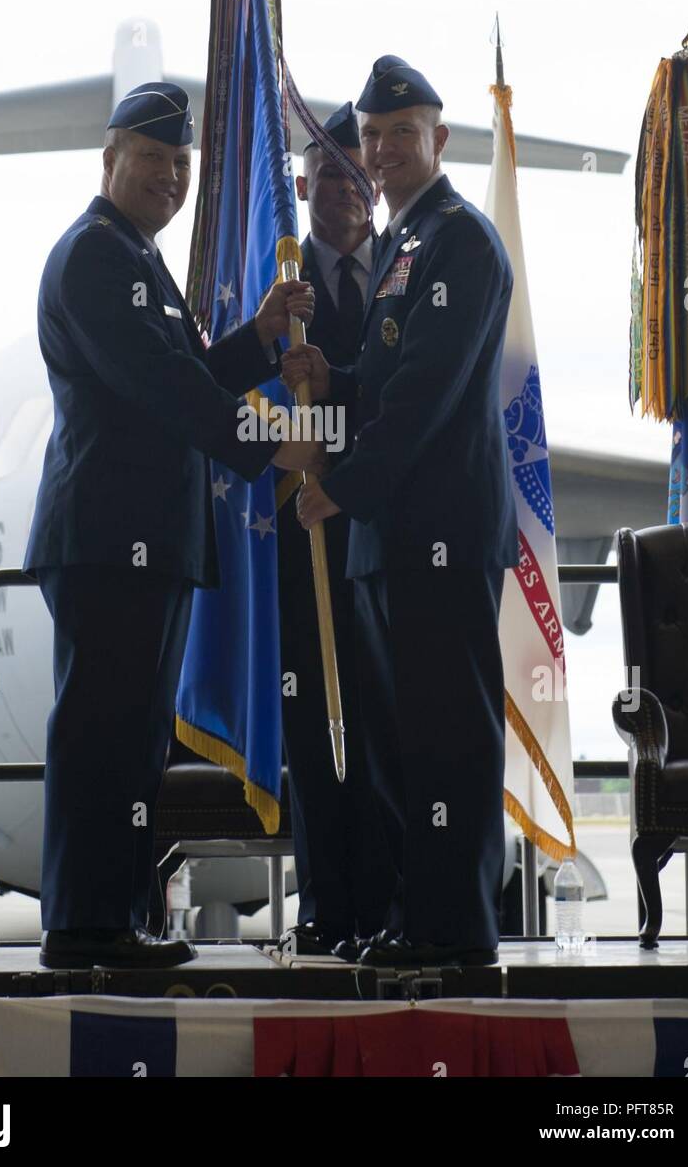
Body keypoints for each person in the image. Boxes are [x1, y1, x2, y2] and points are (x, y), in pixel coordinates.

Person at [24, 81, 320, 970]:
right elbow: (162, 387)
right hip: (112, 540)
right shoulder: (91, 258)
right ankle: (82, 928)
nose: (167, 175)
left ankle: (120, 917)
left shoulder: (136, 259)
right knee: (102, 734)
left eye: (179, 163)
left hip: (148, 541)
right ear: (108, 161)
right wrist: (272, 452)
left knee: (133, 737)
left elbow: (184, 368)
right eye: (150, 159)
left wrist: (261, 336)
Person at [284, 57, 518, 967]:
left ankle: (454, 927)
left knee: (446, 738)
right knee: (396, 745)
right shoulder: (402, 246)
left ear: (438, 139)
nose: (379, 152)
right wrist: (330, 379)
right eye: (370, 137)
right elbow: (381, 381)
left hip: (437, 533)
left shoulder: (459, 239)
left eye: (397, 134)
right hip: (389, 539)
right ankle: (412, 917)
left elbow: (424, 394)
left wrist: (341, 485)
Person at [277, 103, 395, 960]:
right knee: (314, 730)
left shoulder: (405, 271)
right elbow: (245, 410)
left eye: (355, 176)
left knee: (385, 724)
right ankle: (323, 905)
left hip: (381, 533)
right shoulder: (278, 292)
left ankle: (388, 905)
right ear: (302, 187)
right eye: (325, 177)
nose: (341, 192)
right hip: (302, 539)